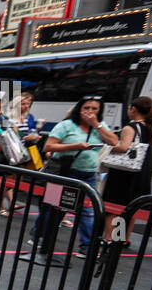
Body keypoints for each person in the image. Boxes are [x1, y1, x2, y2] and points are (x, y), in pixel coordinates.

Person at [28, 96, 119, 258]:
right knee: (51, 208)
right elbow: (49, 146)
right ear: (79, 109)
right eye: (86, 108)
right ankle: (40, 236)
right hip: (64, 172)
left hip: (88, 174)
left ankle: (87, 246)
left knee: (88, 211)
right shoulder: (66, 125)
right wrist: (75, 146)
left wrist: (96, 125)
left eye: (94, 109)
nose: (90, 112)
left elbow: (114, 142)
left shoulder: (101, 126)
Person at [101, 96, 152, 220]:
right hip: (139, 172)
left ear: (133, 109)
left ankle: (111, 238)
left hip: (123, 174)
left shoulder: (130, 127)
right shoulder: (149, 127)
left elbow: (123, 147)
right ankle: (124, 238)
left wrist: (107, 147)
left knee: (114, 209)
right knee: (132, 210)